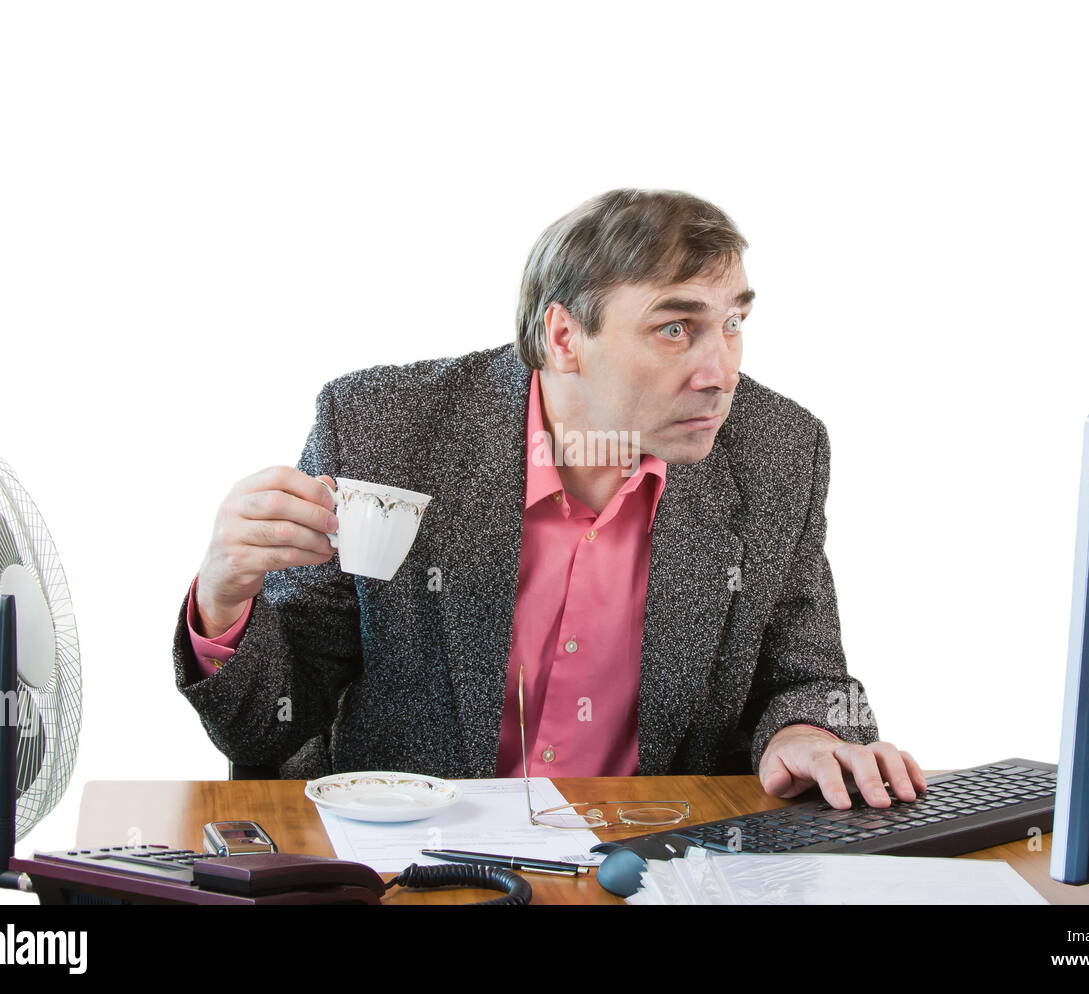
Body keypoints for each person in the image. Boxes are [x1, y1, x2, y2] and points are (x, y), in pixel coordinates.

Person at [172, 188, 926, 809]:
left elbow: (808, 675)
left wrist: (805, 731)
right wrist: (224, 603)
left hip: (648, 864)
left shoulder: (778, 450)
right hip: (418, 864)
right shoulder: (382, 429)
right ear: (563, 336)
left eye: (733, 323)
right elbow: (271, 726)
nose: (720, 370)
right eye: (676, 327)